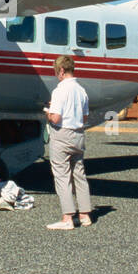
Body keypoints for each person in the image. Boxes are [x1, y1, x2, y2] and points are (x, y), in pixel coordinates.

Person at [43, 54, 92, 229]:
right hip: (78, 134)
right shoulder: (81, 90)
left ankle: (67, 218)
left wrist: (47, 111)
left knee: (62, 175)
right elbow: (85, 116)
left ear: (62, 71)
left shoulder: (59, 90)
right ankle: (85, 214)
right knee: (79, 173)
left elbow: (55, 118)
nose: (57, 74)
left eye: (57, 71)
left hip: (62, 135)